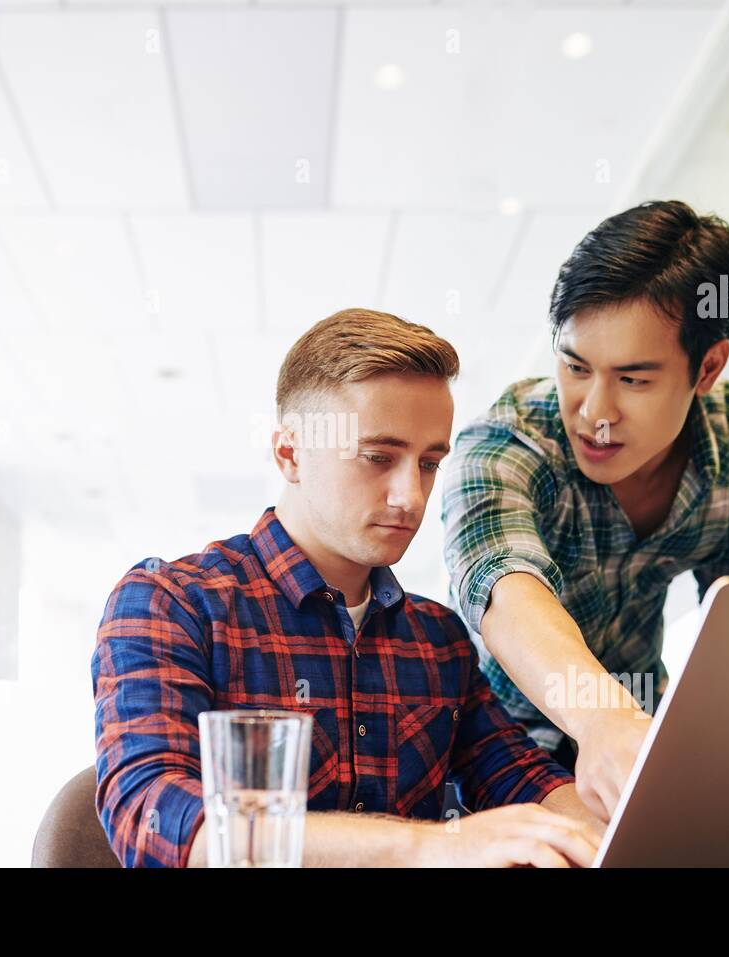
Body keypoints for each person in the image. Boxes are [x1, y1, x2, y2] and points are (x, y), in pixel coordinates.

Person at [92, 308, 603, 867]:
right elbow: (156, 819)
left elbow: (518, 776)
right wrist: (429, 846)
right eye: (378, 458)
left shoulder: (437, 639)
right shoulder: (173, 603)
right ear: (290, 453)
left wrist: (617, 832)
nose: (410, 496)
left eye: (429, 463)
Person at [441, 200, 729, 824]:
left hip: (643, 727)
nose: (595, 410)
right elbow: (501, 584)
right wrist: (600, 715)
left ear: (708, 367)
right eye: (575, 366)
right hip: (493, 744)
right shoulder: (506, 443)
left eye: (634, 380)